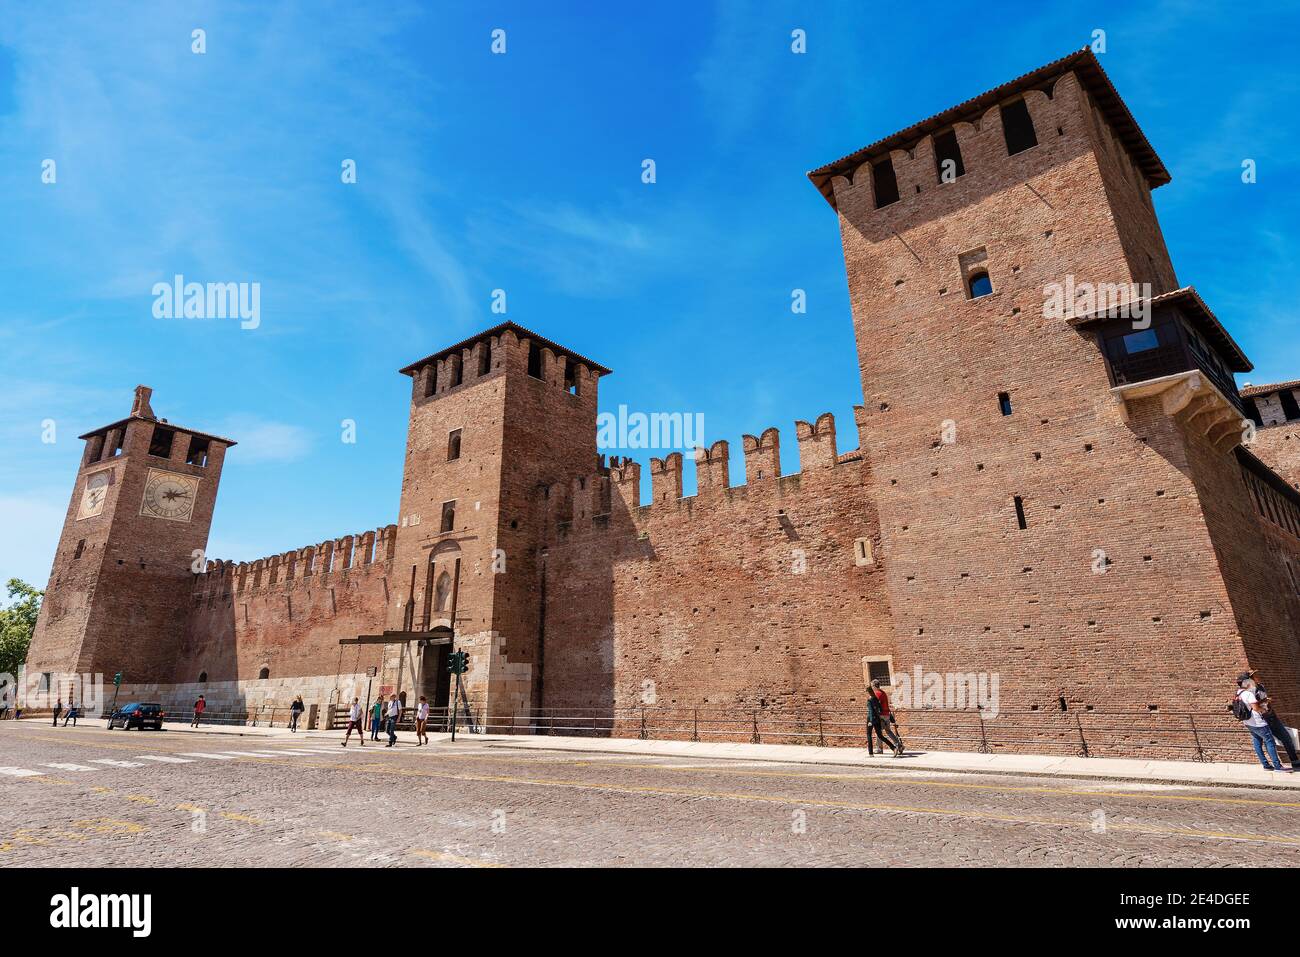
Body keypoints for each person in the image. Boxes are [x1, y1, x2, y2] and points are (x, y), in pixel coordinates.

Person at [1238, 670, 1299, 771]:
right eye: (1254, 676)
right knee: (1284, 738)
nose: (1257, 676)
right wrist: (1265, 701)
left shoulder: (1259, 686)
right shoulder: (1250, 690)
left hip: (1264, 718)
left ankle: (1267, 765)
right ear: (1250, 680)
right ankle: (1291, 762)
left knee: (1259, 741)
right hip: (1266, 718)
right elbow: (1255, 705)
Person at [868, 679, 903, 757]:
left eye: (871, 686)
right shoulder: (883, 692)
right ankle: (899, 745)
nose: (871, 687)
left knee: (878, 732)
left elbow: (875, 706)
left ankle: (879, 749)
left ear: (874, 686)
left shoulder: (877, 694)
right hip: (887, 714)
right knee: (888, 731)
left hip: (882, 715)